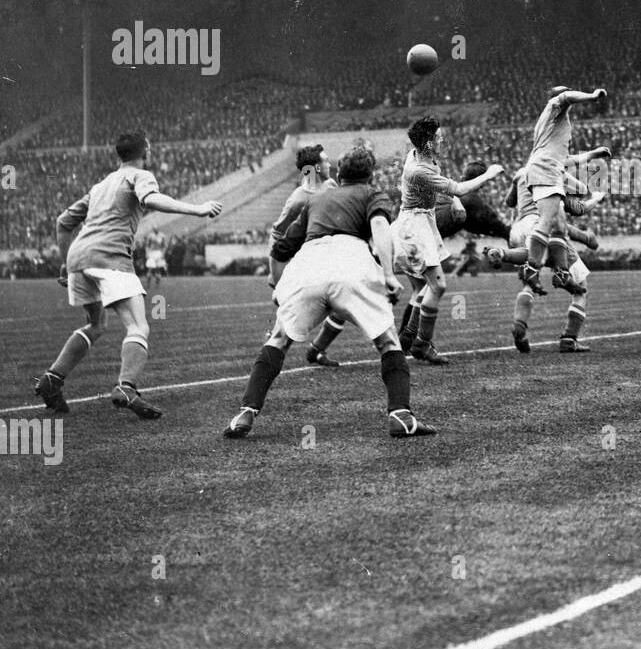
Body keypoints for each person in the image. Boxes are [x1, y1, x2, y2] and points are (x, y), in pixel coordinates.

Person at [223, 144, 431, 441]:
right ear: (370, 174)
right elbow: (379, 225)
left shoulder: (317, 199)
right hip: (351, 260)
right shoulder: (371, 194)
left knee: (279, 338)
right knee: (388, 341)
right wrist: (387, 273)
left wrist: (279, 285)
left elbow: (281, 247)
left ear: (341, 173)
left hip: (309, 263)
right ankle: (401, 416)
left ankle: (246, 412)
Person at [34, 130, 223, 419]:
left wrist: (66, 260)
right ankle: (126, 387)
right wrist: (198, 209)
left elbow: (63, 222)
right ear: (145, 151)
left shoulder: (100, 185)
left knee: (96, 324)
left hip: (79, 257)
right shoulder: (139, 175)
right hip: (109, 256)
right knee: (138, 326)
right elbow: (151, 198)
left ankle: (52, 379)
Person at [393, 116, 504, 364]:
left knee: (425, 286)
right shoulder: (419, 170)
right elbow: (460, 189)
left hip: (422, 221)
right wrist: (491, 174)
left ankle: (409, 338)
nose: (443, 140)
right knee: (438, 286)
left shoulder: (419, 156)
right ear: (429, 143)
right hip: (415, 225)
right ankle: (421, 344)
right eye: (439, 137)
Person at [489, 164, 603, 353]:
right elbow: (578, 207)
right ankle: (569, 338)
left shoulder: (521, 172)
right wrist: (596, 198)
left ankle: (520, 326)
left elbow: (509, 202)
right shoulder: (555, 172)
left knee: (529, 282)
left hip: (519, 229)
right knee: (580, 286)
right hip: (543, 227)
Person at [518, 85, 609, 296]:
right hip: (546, 169)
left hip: (550, 169)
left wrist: (593, 154)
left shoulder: (554, 124)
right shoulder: (555, 107)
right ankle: (531, 269)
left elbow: (566, 159)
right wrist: (592, 96)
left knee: (559, 225)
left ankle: (561, 273)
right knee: (548, 219)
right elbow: (566, 96)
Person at [269, 143, 346, 367]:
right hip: (304, 262)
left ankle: (317, 350)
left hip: (326, 257)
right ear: (315, 168)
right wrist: (274, 274)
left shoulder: (331, 185)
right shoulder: (298, 199)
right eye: (324, 160)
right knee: (291, 319)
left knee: (343, 301)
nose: (329, 163)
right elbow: (277, 232)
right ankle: (272, 356)